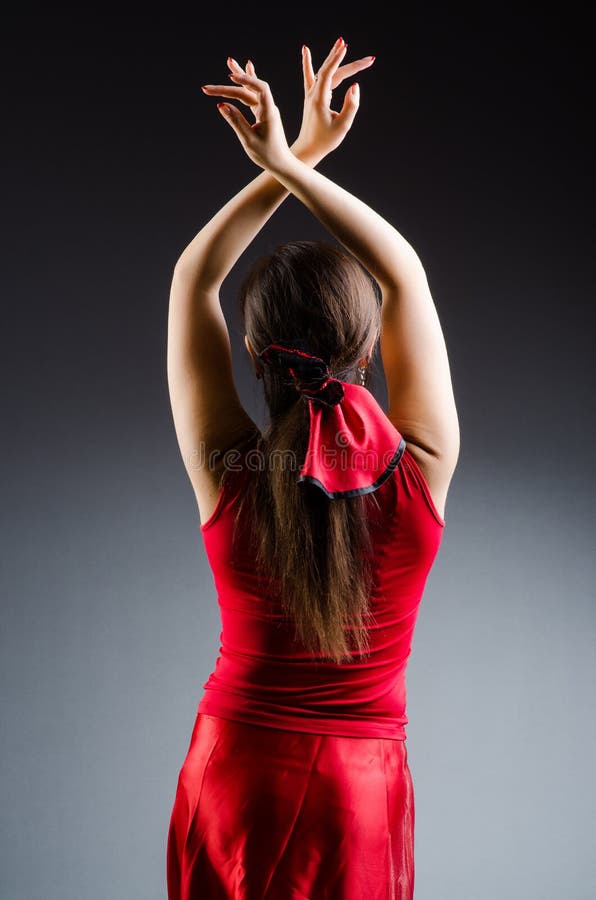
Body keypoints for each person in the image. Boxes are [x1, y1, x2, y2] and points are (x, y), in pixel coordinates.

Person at [166, 36, 459, 900]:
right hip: (360, 791)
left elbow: (193, 280)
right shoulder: (423, 468)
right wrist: (298, 163)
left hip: (234, 773)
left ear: (254, 352)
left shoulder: (227, 471)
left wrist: (283, 161)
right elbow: (406, 274)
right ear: (370, 349)